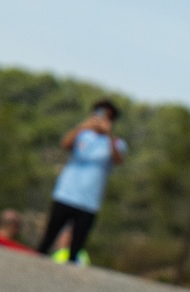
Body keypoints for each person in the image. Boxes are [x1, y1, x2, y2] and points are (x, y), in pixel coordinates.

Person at [39, 99, 126, 265]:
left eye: (107, 116)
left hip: (89, 202)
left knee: (76, 249)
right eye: (99, 114)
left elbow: (118, 160)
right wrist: (82, 127)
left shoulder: (115, 142)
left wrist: (108, 134)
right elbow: (64, 144)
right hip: (65, 194)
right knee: (48, 239)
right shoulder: (82, 134)